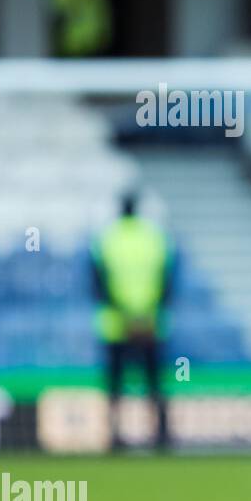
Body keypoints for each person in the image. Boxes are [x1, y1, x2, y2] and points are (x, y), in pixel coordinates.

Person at [91, 193, 175, 451]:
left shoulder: (107, 238)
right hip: (150, 323)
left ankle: (114, 435)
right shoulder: (154, 237)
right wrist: (147, 313)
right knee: (154, 382)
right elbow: (167, 280)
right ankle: (161, 435)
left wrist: (125, 314)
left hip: (116, 324)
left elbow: (98, 283)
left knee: (116, 383)